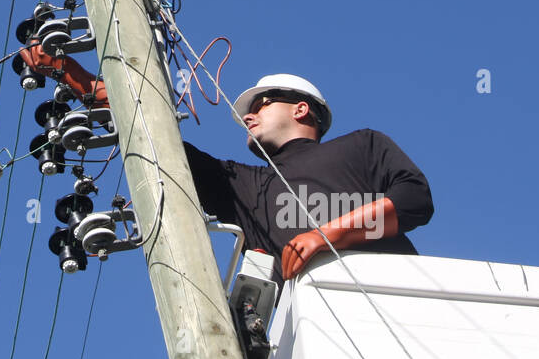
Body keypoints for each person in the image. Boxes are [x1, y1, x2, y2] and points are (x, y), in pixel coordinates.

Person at [183, 74, 434, 285]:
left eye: (262, 105)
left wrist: (326, 235)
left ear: (300, 109)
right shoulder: (245, 187)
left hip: (400, 303)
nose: (248, 118)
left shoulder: (361, 146)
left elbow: (414, 200)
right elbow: (163, 153)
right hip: (312, 334)